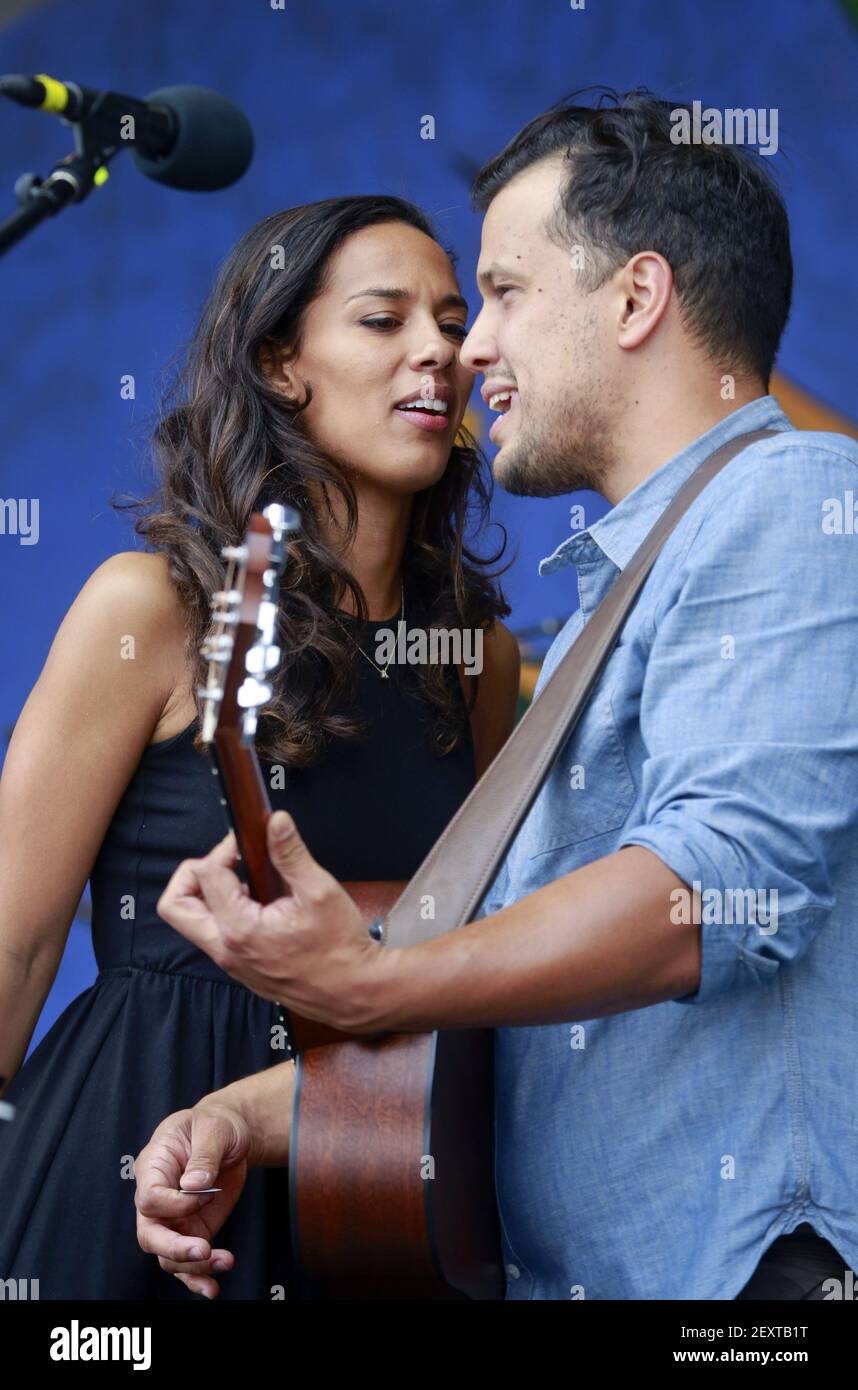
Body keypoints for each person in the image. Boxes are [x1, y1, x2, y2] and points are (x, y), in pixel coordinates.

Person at [136, 89, 858, 1303]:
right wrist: (240, 1120)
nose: (471, 350)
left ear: (636, 298)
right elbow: (492, 1008)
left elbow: (716, 882)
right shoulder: (611, 598)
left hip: (745, 1276)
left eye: (505, 295)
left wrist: (370, 980)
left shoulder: (787, 498)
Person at [0, 195, 520, 1299]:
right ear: (283, 363)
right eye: (383, 321)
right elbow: (14, 948)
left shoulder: (474, 653)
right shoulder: (149, 607)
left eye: (451, 316)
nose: (438, 347)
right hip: (128, 1138)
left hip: (371, 1168)